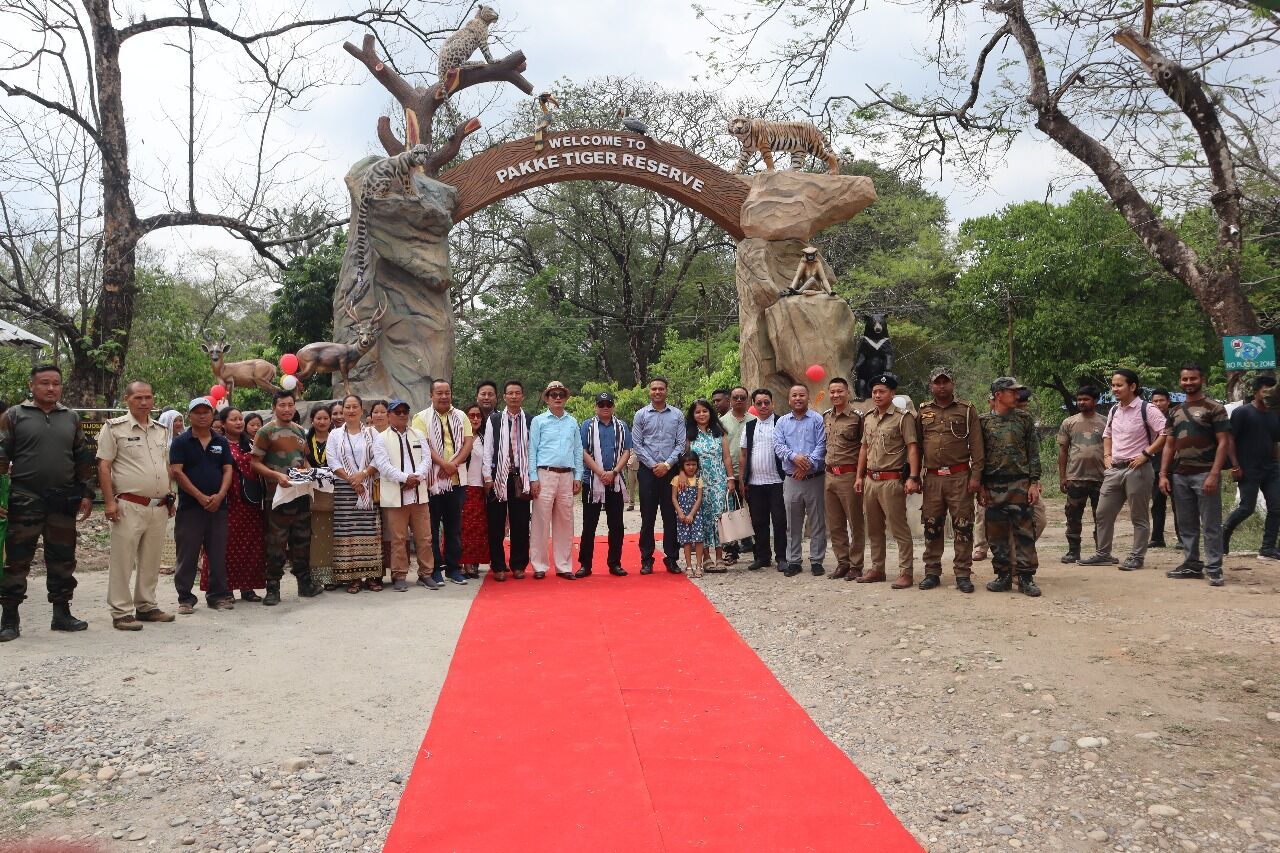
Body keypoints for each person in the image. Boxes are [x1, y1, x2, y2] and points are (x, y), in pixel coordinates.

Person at [0, 364, 94, 641]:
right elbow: (2, 456)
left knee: (63, 558)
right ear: (32, 386)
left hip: (63, 500)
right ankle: (9, 619)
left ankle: (62, 614)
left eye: (55, 383)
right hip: (24, 498)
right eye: (44, 383)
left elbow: (82, 458)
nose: (50, 388)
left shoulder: (71, 417)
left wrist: (87, 493)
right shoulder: (14, 415)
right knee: (16, 560)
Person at [96, 380, 175, 630]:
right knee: (123, 558)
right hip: (128, 504)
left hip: (159, 505)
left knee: (151, 559)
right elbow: (104, 466)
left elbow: (165, 466)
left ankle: (147, 606)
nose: (144, 403)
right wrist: (109, 502)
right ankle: (121, 611)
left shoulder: (161, 429)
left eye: (148, 398)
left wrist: (170, 496)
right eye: (138, 398)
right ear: (126, 399)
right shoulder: (113, 428)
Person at [1079, 370, 1167, 570]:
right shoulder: (1114, 410)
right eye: (1113, 385)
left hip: (1138, 469)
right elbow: (1107, 434)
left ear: (1133, 387)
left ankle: (1137, 556)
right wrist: (1107, 457)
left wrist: (1146, 454)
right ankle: (1103, 553)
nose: (1114, 389)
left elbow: (1165, 432)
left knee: (1139, 516)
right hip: (1115, 469)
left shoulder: (1148, 409)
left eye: (1119, 385)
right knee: (1102, 512)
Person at [251, 389, 324, 605]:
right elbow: (255, 463)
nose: (287, 409)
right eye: (282, 405)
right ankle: (272, 588)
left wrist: (310, 473)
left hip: (300, 495)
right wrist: (276, 476)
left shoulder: (301, 431)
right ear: (274, 407)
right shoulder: (266, 432)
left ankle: (305, 584)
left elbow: (305, 460)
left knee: (302, 539)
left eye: (290, 405)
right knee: (276, 543)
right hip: (277, 497)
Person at [1160, 363, 1230, 587]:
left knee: (1210, 523)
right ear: (1180, 382)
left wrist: (1214, 473)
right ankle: (1191, 564)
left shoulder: (1214, 408)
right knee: (1186, 523)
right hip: (1180, 475)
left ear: (1202, 380)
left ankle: (1214, 568)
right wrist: (1163, 473)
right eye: (1185, 379)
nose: (1188, 383)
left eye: (1193, 379)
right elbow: (1169, 446)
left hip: (1205, 474)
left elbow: (1223, 443)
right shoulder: (1175, 411)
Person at [917, 367, 984, 592]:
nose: (942, 386)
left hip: (959, 476)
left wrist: (976, 477)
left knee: (962, 525)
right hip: (933, 478)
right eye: (937, 382)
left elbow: (977, 446)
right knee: (932, 525)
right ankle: (932, 572)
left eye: (946, 382)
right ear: (931, 385)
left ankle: (963, 574)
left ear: (953, 384)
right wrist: (914, 476)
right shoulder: (923, 411)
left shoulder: (966, 410)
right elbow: (916, 447)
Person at [854, 373, 919, 587]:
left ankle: (906, 572)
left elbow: (912, 447)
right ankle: (877, 568)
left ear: (892, 393)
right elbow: (864, 447)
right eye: (874, 392)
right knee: (873, 528)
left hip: (892, 480)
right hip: (871, 479)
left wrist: (913, 477)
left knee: (899, 528)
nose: (877, 395)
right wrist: (859, 476)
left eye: (882, 391)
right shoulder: (869, 417)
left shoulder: (903, 417)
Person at [170, 398, 234, 614]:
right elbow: (177, 472)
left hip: (218, 506)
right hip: (190, 507)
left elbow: (227, 470)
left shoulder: (221, 442)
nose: (202, 416)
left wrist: (220, 495)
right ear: (190, 416)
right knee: (187, 553)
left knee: (217, 553)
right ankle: (185, 598)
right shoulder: (181, 442)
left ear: (212, 414)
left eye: (206, 412)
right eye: (197, 412)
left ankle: (217, 596)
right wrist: (199, 496)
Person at [979, 377, 1042, 596]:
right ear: (998, 395)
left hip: (1019, 483)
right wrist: (980, 486)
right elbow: (979, 457)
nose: (1017, 396)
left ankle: (1025, 578)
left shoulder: (1024, 419)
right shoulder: (983, 422)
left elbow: (1033, 453)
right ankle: (1003, 575)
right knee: (996, 534)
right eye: (1012, 392)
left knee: (1024, 532)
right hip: (993, 484)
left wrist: (1034, 483)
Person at [372, 399, 436, 590]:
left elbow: (427, 459)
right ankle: (399, 575)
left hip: (418, 494)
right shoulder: (381, 438)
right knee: (398, 538)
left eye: (404, 411)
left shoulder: (418, 434)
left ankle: (426, 574)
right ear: (389, 415)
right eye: (397, 411)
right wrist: (404, 478)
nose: (401, 414)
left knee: (425, 537)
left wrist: (416, 477)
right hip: (395, 495)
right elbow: (383, 466)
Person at [413, 379, 472, 586]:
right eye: (439, 393)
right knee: (431, 529)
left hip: (455, 480)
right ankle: (435, 568)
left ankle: (454, 568)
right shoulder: (421, 418)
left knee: (454, 527)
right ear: (431, 395)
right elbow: (423, 446)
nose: (444, 396)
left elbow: (468, 442)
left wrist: (453, 464)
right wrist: (443, 465)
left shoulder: (461, 416)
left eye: (447, 392)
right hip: (432, 482)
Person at [327, 395, 385, 593]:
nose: (351, 410)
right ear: (342, 410)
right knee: (347, 533)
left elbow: (379, 459)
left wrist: (363, 475)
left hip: (367, 488)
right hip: (345, 490)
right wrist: (353, 480)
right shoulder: (334, 435)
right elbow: (333, 462)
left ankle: (370, 576)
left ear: (361, 410)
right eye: (347, 407)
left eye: (355, 407)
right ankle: (352, 578)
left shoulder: (372, 433)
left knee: (370, 532)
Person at [527, 381, 583, 580]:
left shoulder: (572, 422)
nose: (557, 398)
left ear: (566, 397)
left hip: (567, 475)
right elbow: (531, 450)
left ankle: (564, 566)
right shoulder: (539, 421)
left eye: (561, 394)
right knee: (541, 521)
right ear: (547, 398)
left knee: (565, 521)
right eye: (553, 395)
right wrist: (533, 478)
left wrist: (578, 476)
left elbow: (578, 450)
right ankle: (539, 565)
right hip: (545, 474)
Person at [1222, 376, 1280, 560]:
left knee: (1277, 507)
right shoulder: (1243, 412)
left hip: (1270, 468)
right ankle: (1224, 533)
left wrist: (1277, 464)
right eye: (1265, 391)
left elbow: (1275, 442)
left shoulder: (1274, 414)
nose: (1268, 395)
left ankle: (1268, 547)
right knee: (1247, 507)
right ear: (1256, 392)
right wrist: (1235, 465)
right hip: (1247, 467)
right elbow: (1230, 439)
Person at [633, 377, 686, 574]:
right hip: (648, 471)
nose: (657, 392)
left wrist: (667, 464)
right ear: (649, 392)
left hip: (670, 471)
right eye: (654, 389)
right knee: (648, 516)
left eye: (661, 389)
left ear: (666, 391)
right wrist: (653, 465)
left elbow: (680, 444)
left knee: (670, 516)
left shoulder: (677, 415)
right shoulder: (641, 415)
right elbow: (637, 444)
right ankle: (646, 559)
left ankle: (671, 558)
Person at [775, 383, 828, 577]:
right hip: (791, 480)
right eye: (794, 395)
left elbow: (822, 445)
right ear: (789, 399)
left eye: (802, 395)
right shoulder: (781, 422)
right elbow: (778, 446)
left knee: (817, 521)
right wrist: (794, 458)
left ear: (807, 397)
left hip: (814, 478)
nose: (798, 398)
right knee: (792, 522)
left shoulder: (817, 419)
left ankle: (816, 560)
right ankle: (794, 560)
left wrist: (807, 466)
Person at [576, 391, 632, 578]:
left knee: (616, 525)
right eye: (602, 404)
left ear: (613, 406)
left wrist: (614, 472)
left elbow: (626, 451)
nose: (605, 407)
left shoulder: (622, 426)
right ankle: (585, 564)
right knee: (589, 525)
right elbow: (582, 451)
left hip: (615, 479)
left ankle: (615, 563)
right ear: (596, 407)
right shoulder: (587, 425)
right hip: (592, 480)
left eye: (608, 404)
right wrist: (600, 472)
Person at [482, 380, 533, 582]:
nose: (513, 396)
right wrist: (488, 477)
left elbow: (533, 449)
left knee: (521, 523)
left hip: (521, 477)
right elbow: (488, 449)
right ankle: (498, 565)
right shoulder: (494, 420)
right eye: (510, 393)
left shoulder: (530, 420)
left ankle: (519, 564)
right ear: (504, 397)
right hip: (498, 477)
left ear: (522, 396)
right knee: (495, 524)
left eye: (517, 393)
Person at [214, 408, 267, 602]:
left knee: (251, 545)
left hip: (250, 502)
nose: (238, 423)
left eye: (240, 419)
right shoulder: (217, 444)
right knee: (226, 545)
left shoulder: (252, 443)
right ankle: (226, 587)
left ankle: (247, 588)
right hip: (228, 501)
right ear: (224, 422)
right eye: (233, 419)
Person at [823, 377, 865, 581]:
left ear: (847, 392)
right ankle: (842, 562)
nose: (836, 395)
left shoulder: (858, 417)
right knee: (835, 523)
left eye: (840, 391)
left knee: (855, 522)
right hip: (829, 474)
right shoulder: (826, 416)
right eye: (832, 392)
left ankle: (856, 565)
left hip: (849, 475)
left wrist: (860, 476)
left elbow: (865, 448)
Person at [1057, 386, 1105, 564]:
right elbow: (1063, 452)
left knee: (1101, 517)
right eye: (1079, 399)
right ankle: (1073, 551)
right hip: (1075, 478)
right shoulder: (1068, 422)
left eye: (1086, 399)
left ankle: (1102, 551)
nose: (1081, 403)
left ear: (1095, 400)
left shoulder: (1106, 422)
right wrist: (1063, 477)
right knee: (1073, 516)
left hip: (1101, 478)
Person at [740, 388, 787, 571]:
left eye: (766, 402)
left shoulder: (781, 422)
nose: (763, 406)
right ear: (753, 405)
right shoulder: (750, 426)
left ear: (772, 403)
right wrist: (742, 480)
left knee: (779, 521)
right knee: (759, 522)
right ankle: (762, 557)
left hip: (778, 482)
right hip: (755, 483)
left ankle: (782, 557)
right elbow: (743, 454)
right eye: (759, 403)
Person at [686, 399, 735, 572]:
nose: (701, 415)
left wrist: (730, 478)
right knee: (703, 519)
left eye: (705, 411)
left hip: (718, 481)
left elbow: (727, 457)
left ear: (710, 412)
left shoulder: (719, 431)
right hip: (698, 483)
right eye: (698, 412)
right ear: (693, 415)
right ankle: (706, 557)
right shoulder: (689, 434)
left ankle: (720, 557)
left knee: (719, 518)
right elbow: (686, 460)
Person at [719, 386, 755, 563]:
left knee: (755, 511)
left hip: (754, 472)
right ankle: (731, 550)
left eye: (742, 397)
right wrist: (728, 476)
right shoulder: (722, 422)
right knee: (730, 511)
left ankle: (758, 548)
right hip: (730, 472)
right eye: (736, 397)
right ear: (730, 400)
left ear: (747, 400)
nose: (739, 400)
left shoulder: (755, 420)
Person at [305, 403, 337, 590]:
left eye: (326, 418)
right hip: (312, 491)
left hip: (335, 490)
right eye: (319, 418)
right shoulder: (306, 440)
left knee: (334, 533)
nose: (322, 421)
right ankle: (317, 576)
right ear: (312, 420)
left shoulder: (337, 438)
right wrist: (313, 473)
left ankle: (334, 576)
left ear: (330, 420)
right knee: (316, 534)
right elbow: (302, 460)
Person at [458, 404, 490, 579]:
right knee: (460, 526)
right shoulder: (459, 438)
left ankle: (473, 562)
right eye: (471, 415)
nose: (475, 418)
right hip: (461, 486)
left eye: (478, 416)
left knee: (476, 528)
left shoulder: (485, 439)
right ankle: (459, 562)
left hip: (478, 487)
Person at [367, 400, 393, 580]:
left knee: (393, 530)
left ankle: (396, 570)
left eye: (382, 411)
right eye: (375, 412)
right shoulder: (365, 433)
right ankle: (376, 572)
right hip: (371, 485)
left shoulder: (395, 433)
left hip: (393, 484)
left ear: (388, 414)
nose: (378, 415)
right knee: (374, 529)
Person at [1148, 388, 1177, 548]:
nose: (1158, 404)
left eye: (1161, 400)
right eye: (1155, 401)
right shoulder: (1149, 419)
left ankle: (1182, 538)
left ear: (1168, 401)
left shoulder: (1175, 417)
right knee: (1157, 503)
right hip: (1155, 467)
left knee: (1178, 504)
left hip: (1175, 467)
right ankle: (1157, 538)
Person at [157, 409, 185, 576]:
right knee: (169, 524)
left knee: (182, 525)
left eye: (181, 420)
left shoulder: (184, 441)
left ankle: (182, 559)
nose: (179, 424)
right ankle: (165, 562)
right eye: (176, 421)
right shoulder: (162, 444)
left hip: (184, 486)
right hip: (169, 487)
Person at [672, 452, 707, 577]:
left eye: (694, 464)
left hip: (696, 514)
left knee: (698, 539)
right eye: (688, 464)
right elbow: (674, 498)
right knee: (686, 541)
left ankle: (698, 565)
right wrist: (680, 512)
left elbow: (699, 499)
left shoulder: (699, 480)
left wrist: (692, 514)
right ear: (682, 465)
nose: (691, 467)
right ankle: (688, 566)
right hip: (682, 515)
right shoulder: (677, 479)